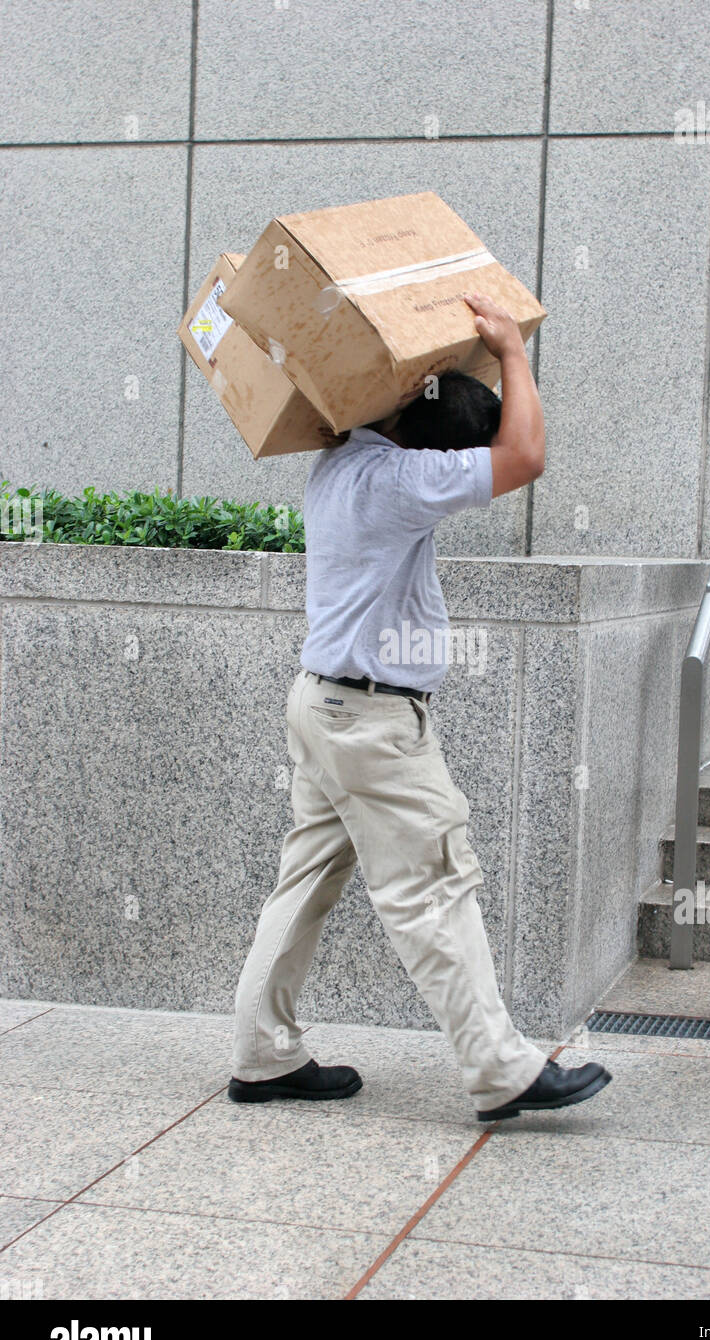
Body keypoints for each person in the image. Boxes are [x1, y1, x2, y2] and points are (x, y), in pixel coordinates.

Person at [229, 291, 611, 1122]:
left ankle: (261, 1053)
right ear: (436, 454)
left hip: (323, 705)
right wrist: (510, 350)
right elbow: (525, 457)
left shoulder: (342, 461)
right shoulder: (400, 482)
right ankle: (502, 1070)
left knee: (302, 884)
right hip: (369, 724)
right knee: (433, 887)